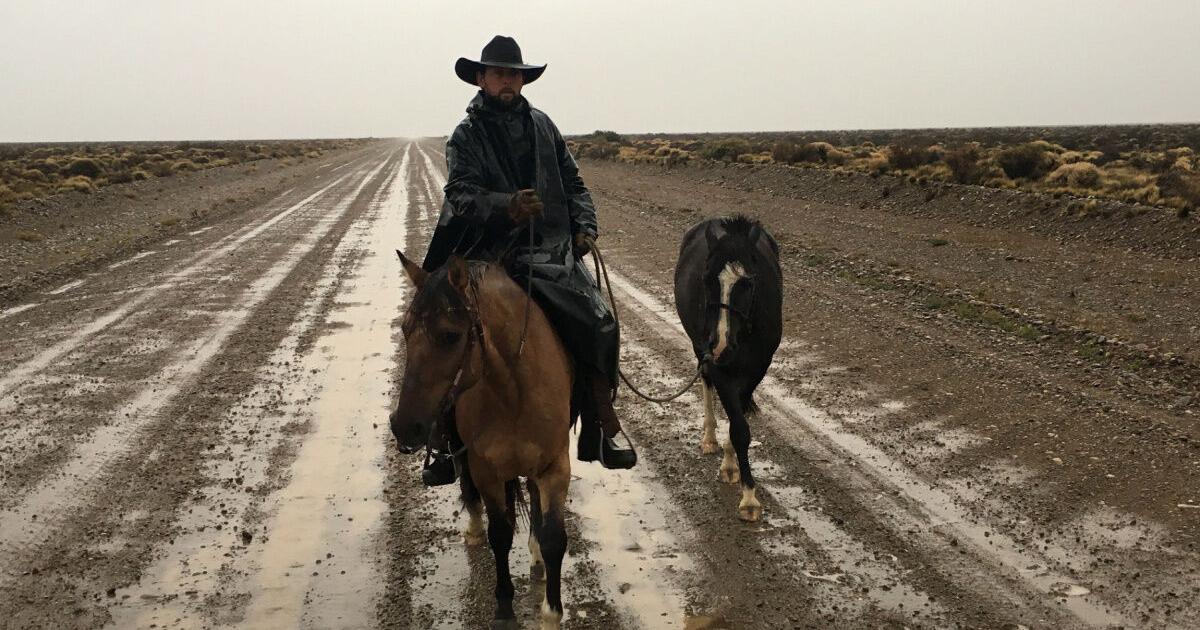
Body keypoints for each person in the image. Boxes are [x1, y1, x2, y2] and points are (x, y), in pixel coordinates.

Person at [417, 35, 636, 486]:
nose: (507, 81)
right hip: (484, 255)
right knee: (439, 329)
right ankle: (441, 439)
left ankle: (600, 422)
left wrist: (584, 226)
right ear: (480, 78)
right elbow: (460, 195)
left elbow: (574, 183)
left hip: (548, 253)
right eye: (498, 73)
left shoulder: (543, 126)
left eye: (514, 74)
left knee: (599, 322)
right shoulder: (466, 135)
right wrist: (506, 207)